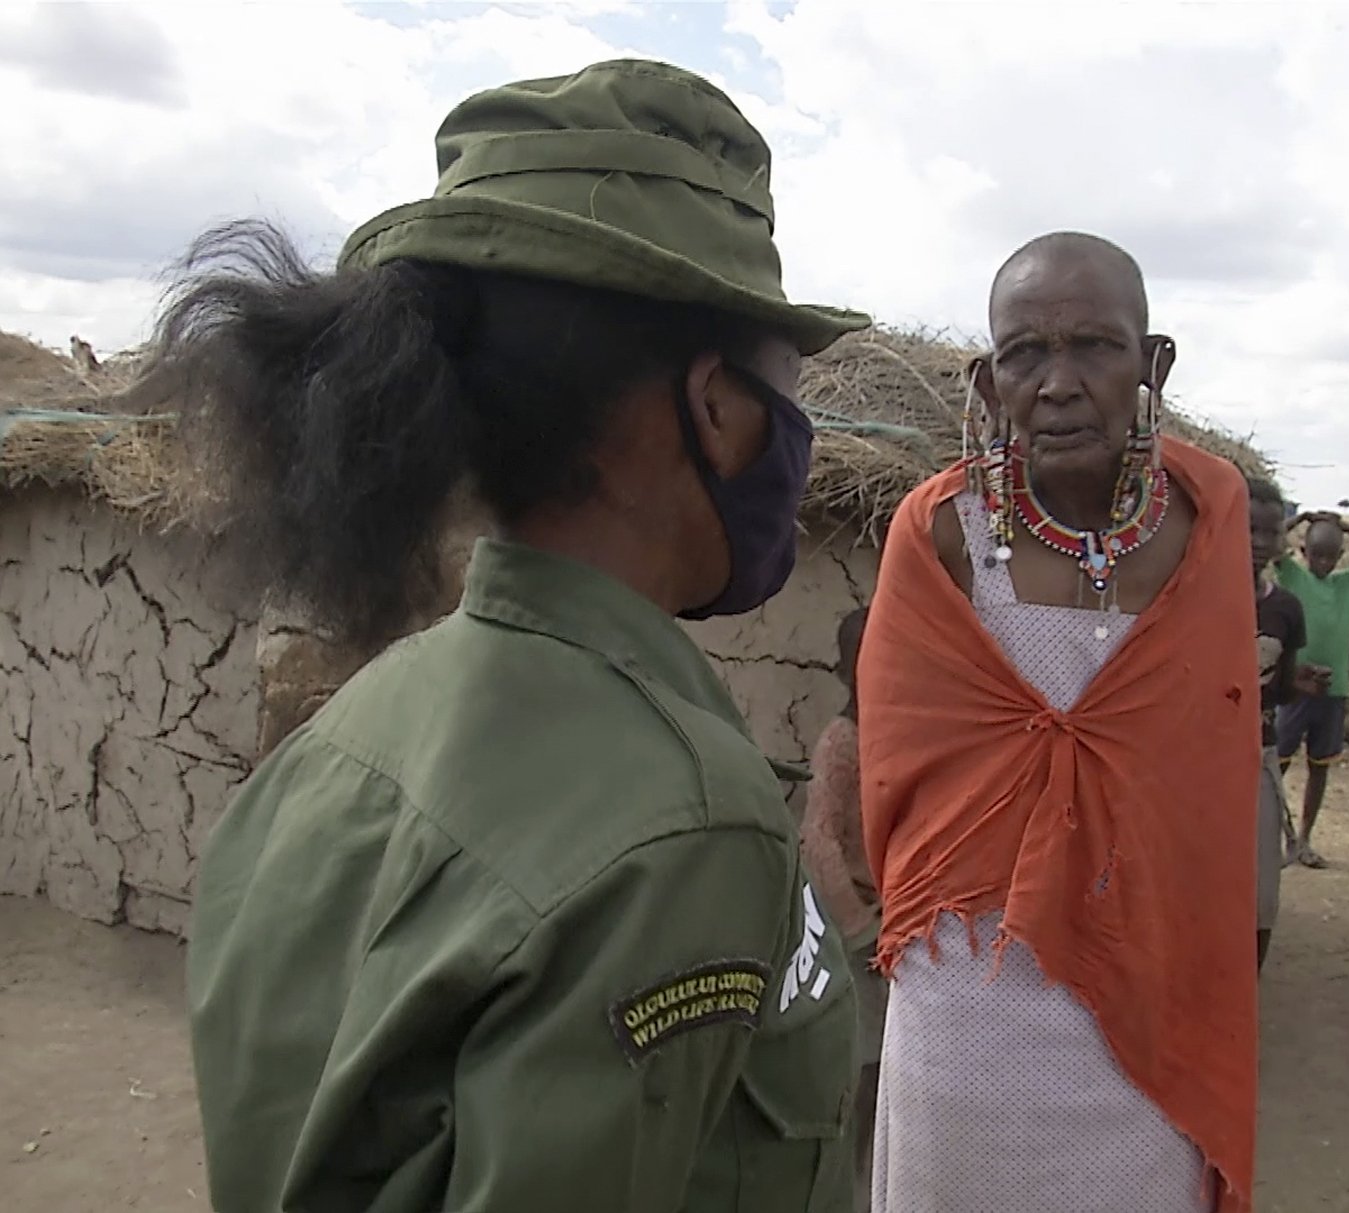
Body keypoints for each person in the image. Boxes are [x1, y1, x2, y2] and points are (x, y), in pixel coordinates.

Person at [169, 61, 870, 1212]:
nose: (796, 434)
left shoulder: (347, 735)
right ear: (711, 405)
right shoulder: (681, 828)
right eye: (785, 385)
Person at [858, 232, 1261, 1212]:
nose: (1059, 383)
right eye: (1024, 354)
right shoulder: (942, 532)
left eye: (1093, 345)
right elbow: (900, 761)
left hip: (1147, 965)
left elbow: (1206, 761)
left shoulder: (1207, 519)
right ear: (988, 383)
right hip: (968, 983)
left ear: (1152, 363)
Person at [799, 606, 886, 1209]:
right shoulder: (844, 743)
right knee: (855, 1072)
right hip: (858, 934)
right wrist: (858, 926)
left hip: (894, 932)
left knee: (883, 1077)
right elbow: (819, 843)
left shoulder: (900, 739)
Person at [1274, 509, 1349, 867]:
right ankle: (1284, 835)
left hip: (1333, 692)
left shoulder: (1347, 584)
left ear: (1341, 556)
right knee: (1274, 768)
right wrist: (1302, 519)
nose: (1323, 562)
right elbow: (1270, 542)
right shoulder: (1293, 575)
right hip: (1294, 689)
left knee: (1319, 767)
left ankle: (1305, 839)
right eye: (1316, 554)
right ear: (1302, 552)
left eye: (1331, 556)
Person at [1249, 477, 1307, 970]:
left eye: (1270, 532)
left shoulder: (1284, 608)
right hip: (1189, 758)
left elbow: (1282, 689)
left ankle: (1247, 991)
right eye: (1248, 529)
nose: (1259, 543)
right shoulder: (1188, 598)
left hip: (1256, 754)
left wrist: (1301, 685)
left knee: (1260, 888)